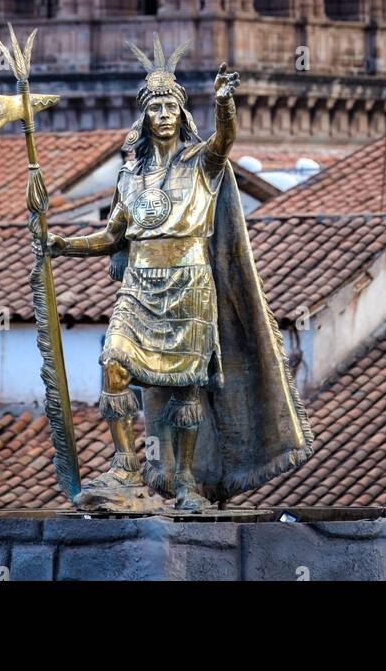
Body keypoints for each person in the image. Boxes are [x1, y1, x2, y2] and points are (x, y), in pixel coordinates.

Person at [48, 35, 313, 513]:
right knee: (114, 364)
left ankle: (189, 480)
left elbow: (224, 141)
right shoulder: (129, 177)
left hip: (189, 283)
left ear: (181, 113)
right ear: (145, 117)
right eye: (156, 108)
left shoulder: (202, 165)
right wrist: (62, 244)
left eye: (172, 105)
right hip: (139, 288)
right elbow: (112, 237)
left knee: (185, 389)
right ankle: (126, 467)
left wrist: (224, 103)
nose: (164, 114)